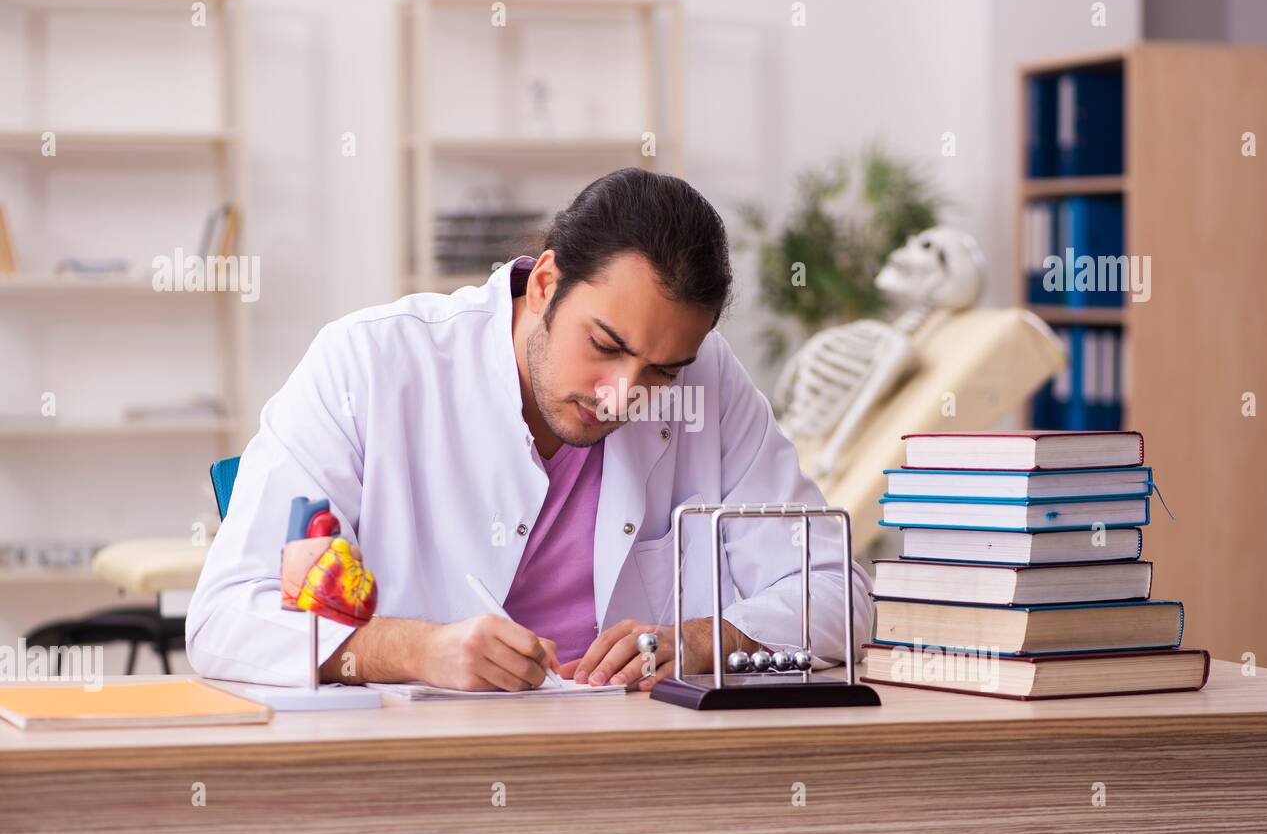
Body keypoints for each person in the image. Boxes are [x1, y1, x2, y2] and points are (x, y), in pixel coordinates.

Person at [186, 167, 872, 691]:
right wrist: (415, 649)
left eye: (661, 370)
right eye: (604, 345)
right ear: (545, 282)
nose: (622, 395)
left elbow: (840, 590)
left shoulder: (705, 381)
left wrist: (699, 640)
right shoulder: (369, 363)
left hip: (630, 772)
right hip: (417, 779)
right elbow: (226, 619)